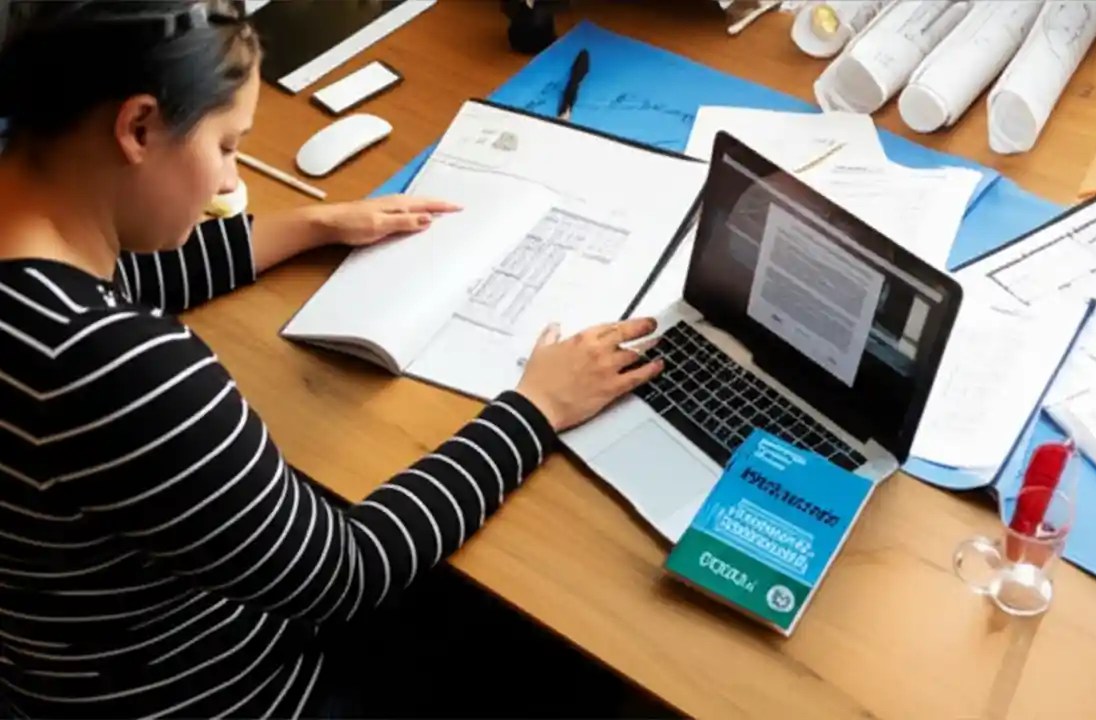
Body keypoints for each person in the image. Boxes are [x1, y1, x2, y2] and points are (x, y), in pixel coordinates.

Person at [0, 1, 664, 717]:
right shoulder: (112, 366)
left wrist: (313, 224)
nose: (226, 184)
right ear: (138, 128)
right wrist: (535, 409)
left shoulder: (34, 255)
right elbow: (346, 573)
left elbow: (127, 268)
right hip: (229, 694)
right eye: (226, 146)